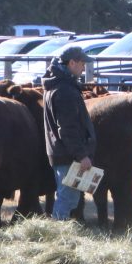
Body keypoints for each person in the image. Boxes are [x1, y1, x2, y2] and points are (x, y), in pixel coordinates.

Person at [42, 44, 97, 221]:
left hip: (59, 151)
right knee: (66, 198)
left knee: (68, 197)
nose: (83, 68)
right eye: (82, 64)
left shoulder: (54, 85)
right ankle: (58, 231)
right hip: (68, 154)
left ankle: (59, 229)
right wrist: (81, 155)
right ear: (72, 63)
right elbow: (67, 129)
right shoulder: (65, 90)